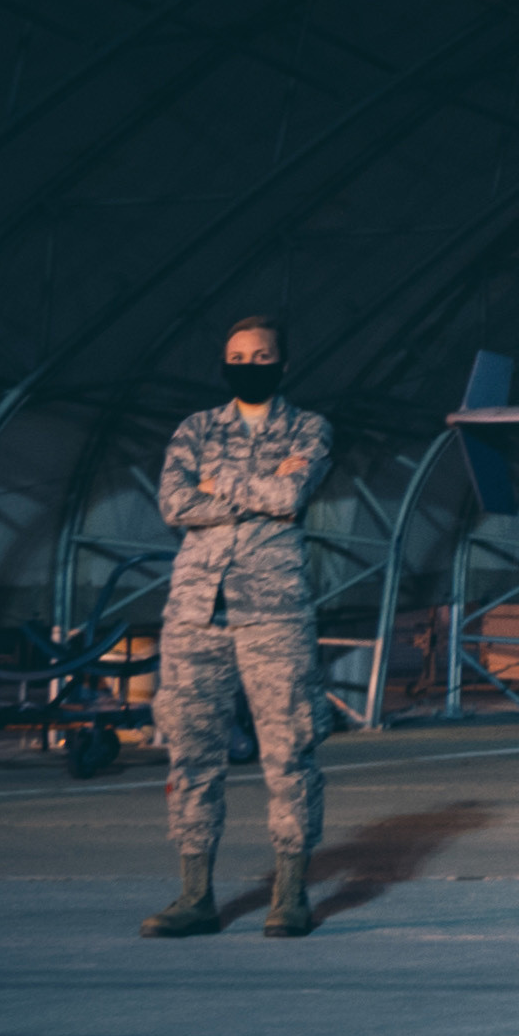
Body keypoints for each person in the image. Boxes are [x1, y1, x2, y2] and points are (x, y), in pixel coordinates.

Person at [142, 315, 334, 939]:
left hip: (273, 614)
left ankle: (290, 895)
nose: (247, 364)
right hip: (196, 614)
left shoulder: (308, 427)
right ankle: (195, 895)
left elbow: (291, 497)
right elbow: (173, 503)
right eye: (236, 355)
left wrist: (216, 483)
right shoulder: (196, 428)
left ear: (282, 363)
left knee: (289, 754)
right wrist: (258, 486)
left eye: (260, 356)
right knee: (192, 753)